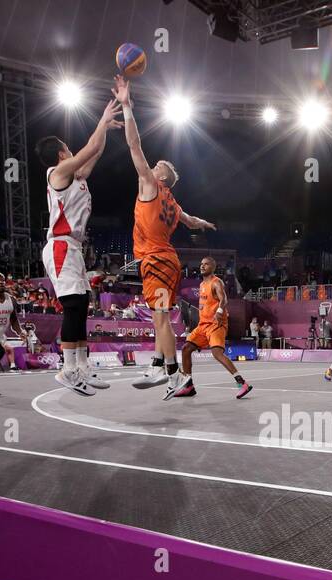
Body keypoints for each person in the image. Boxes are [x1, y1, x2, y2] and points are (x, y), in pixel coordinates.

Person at [113, 72, 217, 398]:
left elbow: (133, 143)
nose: (152, 165)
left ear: (162, 176)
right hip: (167, 260)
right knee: (160, 316)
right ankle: (159, 362)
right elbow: (190, 221)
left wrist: (127, 106)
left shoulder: (151, 185)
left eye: (156, 165)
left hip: (156, 260)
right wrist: (206, 225)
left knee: (160, 319)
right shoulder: (174, 202)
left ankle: (174, 375)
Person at [35, 98, 123, 396]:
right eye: (68, 148)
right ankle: (68, 369)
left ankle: (82, 366)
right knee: (73, 307)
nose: (73, 151)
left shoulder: (77, 176)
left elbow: (92, 151)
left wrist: (106, 130)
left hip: (72, 249)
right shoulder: (56, 173)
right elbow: (87, 149)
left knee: (82, 304)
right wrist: (102, 119)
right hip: (60, 246)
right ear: (62, 153)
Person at [169, 257, 252, 400]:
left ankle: (242, 383)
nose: (202, 266)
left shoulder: (216, 282)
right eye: (201, 264)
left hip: (216, 324)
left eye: (206, 264)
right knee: (186, 348)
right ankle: (188, 386)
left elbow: (223, 299)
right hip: (203, 325)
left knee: (217, 353)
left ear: (213, 267)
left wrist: (220, 311)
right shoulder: (201, 284)